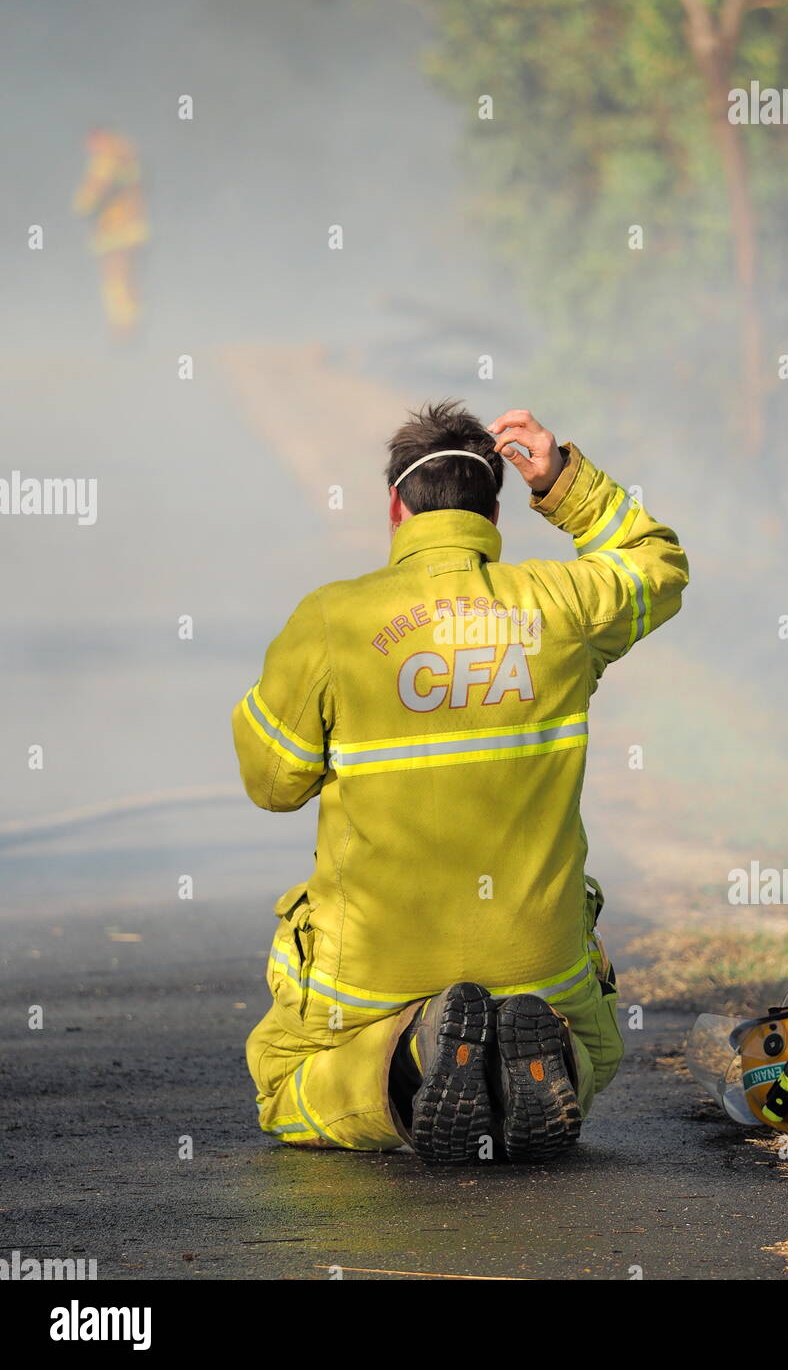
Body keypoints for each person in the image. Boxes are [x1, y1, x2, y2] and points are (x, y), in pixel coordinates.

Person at [233, 402, 689, 1163]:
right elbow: (657, 566)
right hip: (536, 963)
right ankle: (529, 1065)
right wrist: (567, 482)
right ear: (496, 511)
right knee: (594, 1054)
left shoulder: (331, 621)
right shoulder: (561, 606)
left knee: (284, 1083)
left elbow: (272, 783)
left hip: (372, 973)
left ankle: (412, 1060)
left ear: (395, 507)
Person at [72, 128, 149, 338]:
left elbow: (94, 192)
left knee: (115, 278)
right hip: (136, 225)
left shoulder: (106, 160)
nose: (89, 149)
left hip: (114, 228)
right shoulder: (129, 157)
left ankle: (123, 329)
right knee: (129, 278)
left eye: (91, 143)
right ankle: (132, 325)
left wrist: (80, 208)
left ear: (99, 138)